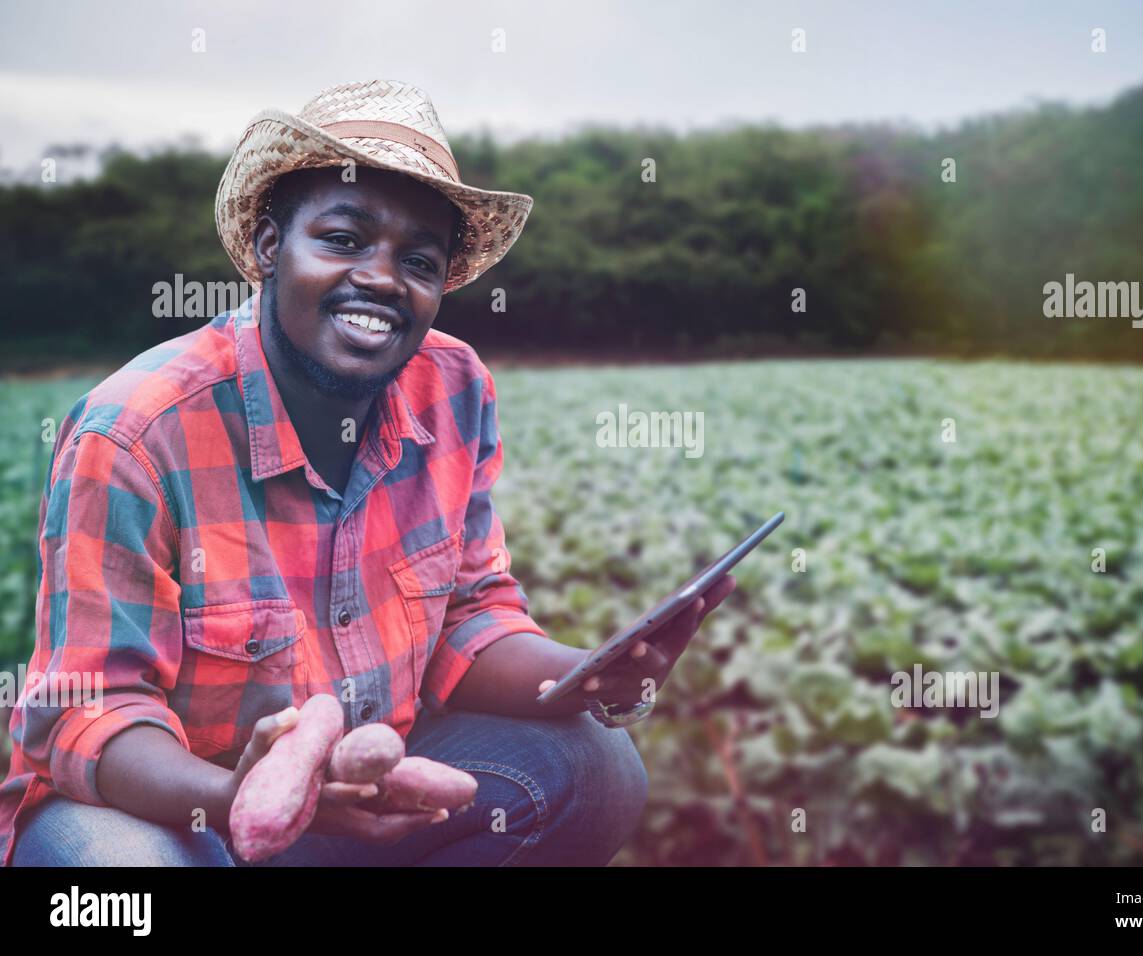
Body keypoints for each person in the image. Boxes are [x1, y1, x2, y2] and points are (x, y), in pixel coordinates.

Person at [0, 79, 735, 866]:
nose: (382, 278)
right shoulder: (137, 432)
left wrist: (588, 677)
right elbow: (93, 712)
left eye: (418, 259)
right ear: (269, 246)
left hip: (354, 807)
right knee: (119, 871)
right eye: (345, 239)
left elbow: (469, 617)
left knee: (594, 765)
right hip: (172, 818)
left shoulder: (456, 389)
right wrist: (245, 798)